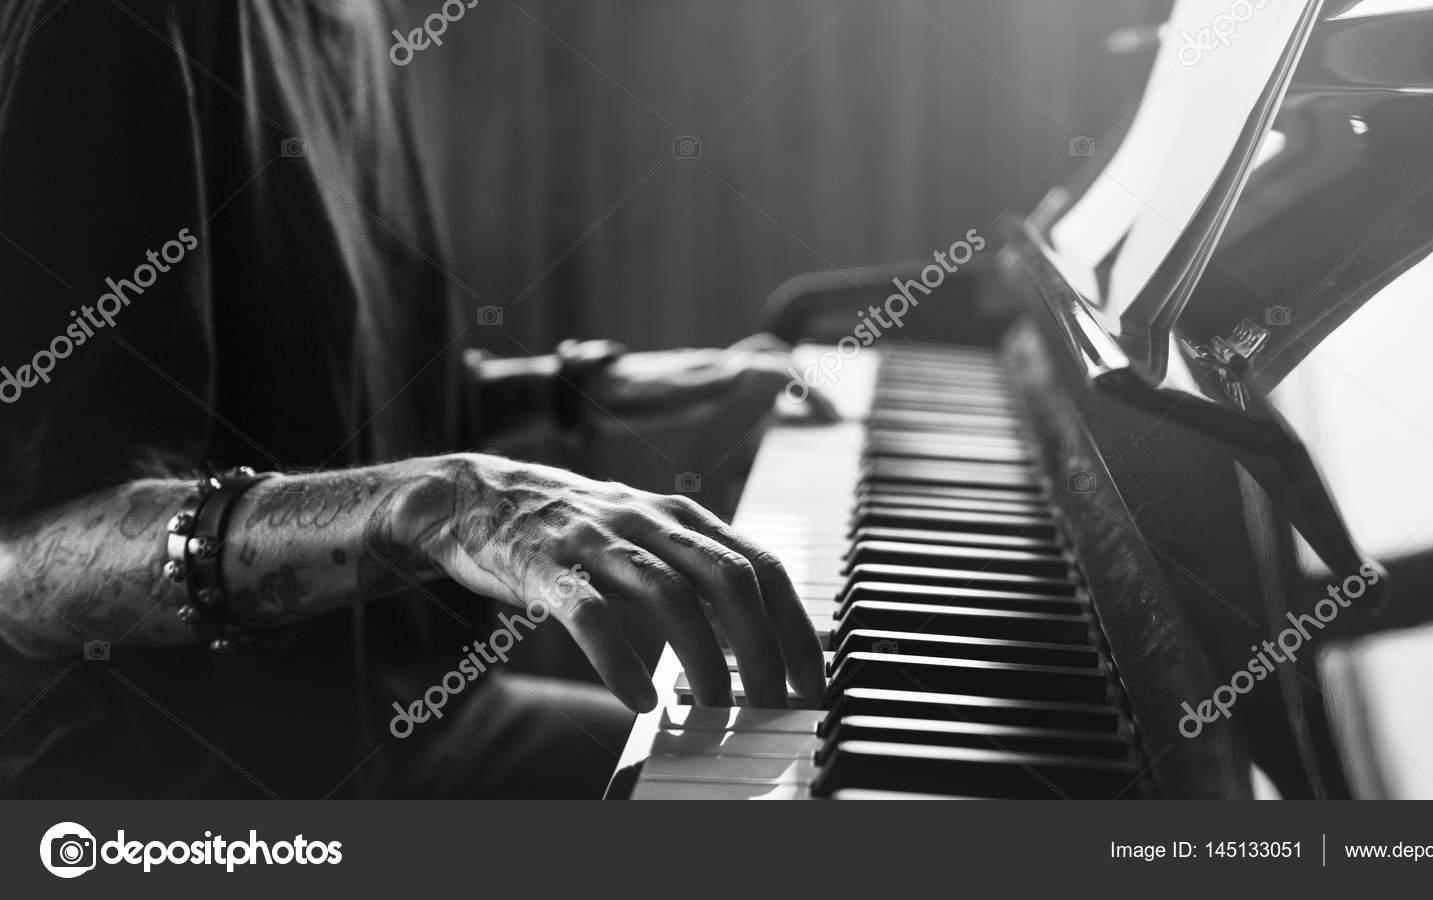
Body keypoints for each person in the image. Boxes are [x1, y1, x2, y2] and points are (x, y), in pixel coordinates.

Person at [0, 0, 825, 799]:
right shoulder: (99, 22)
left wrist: (572, 390)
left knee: (807, 770)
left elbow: (326, 399)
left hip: (407, 725)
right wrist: (447, 503)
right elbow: (29, 568)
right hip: (183, 794)